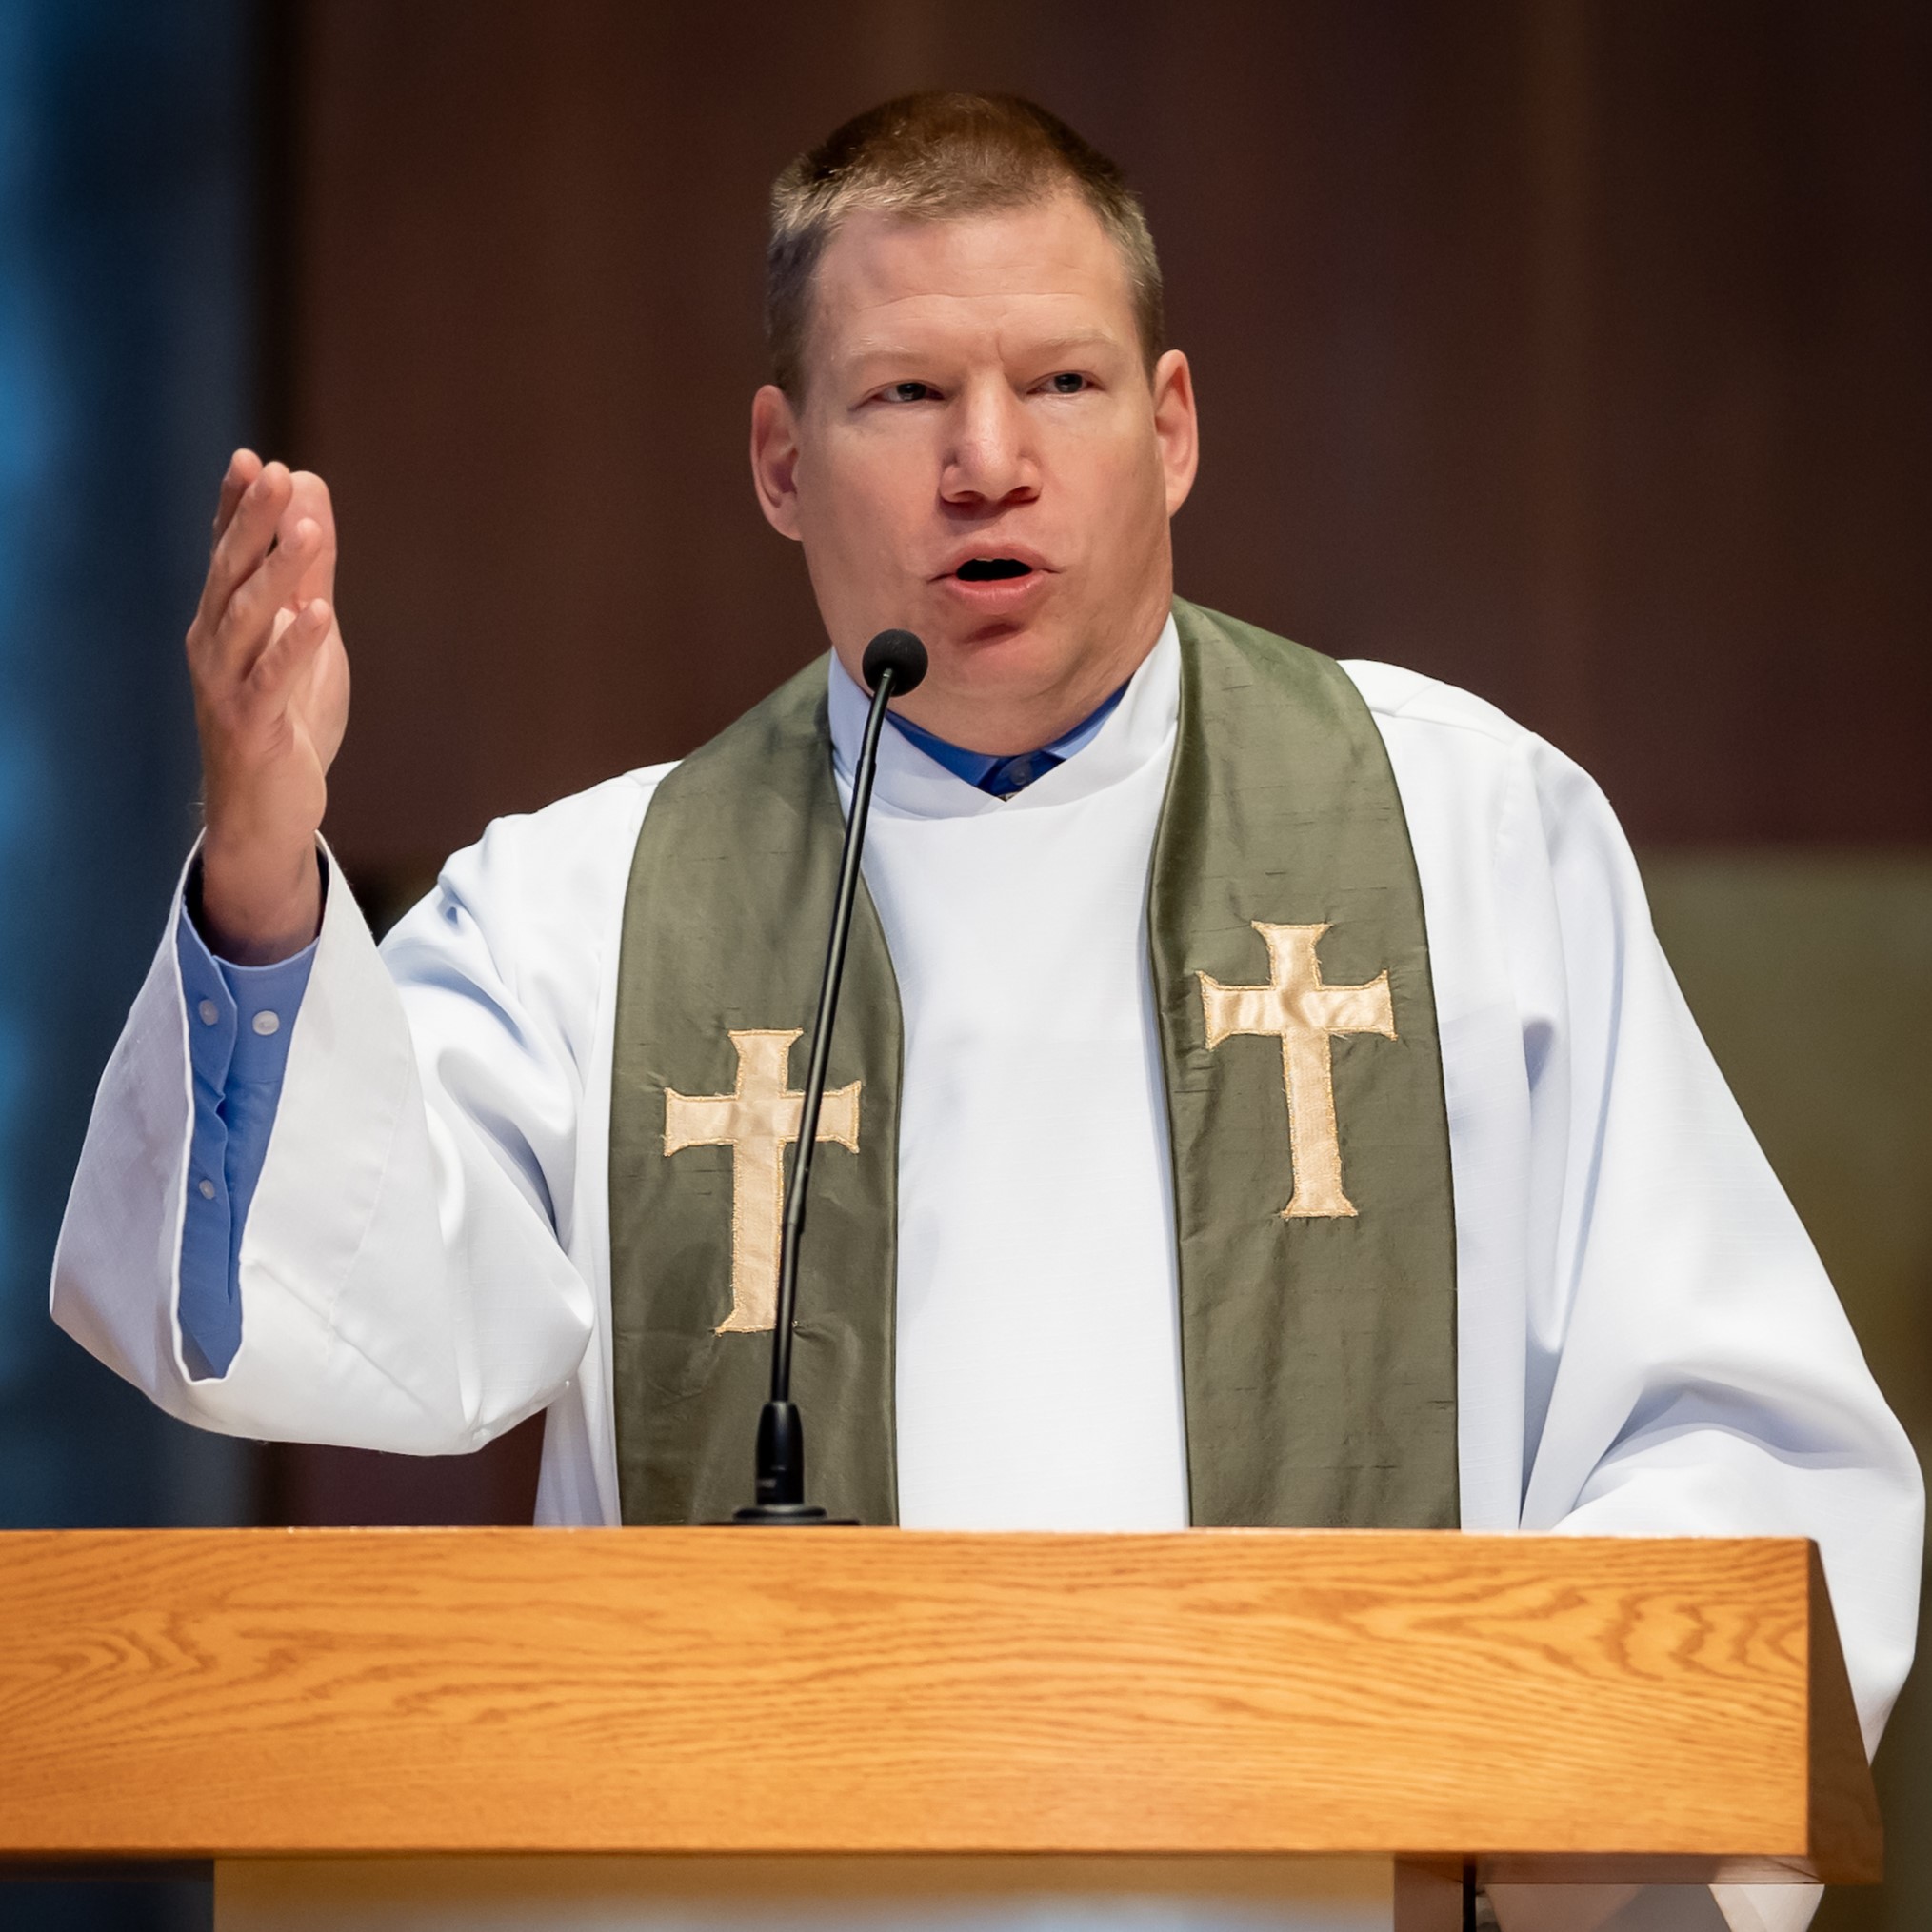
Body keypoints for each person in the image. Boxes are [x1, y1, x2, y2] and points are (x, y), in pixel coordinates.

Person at [52, 94, 1919, 1932]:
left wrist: (1542, 1813)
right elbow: (328, 1303)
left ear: (1171, 429)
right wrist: (264, 875)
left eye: (1062, 382)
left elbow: (1737, 1430)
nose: (989, 462)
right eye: (904, 394)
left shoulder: (1468, 839)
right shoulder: (600, 907)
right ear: (780, 462)